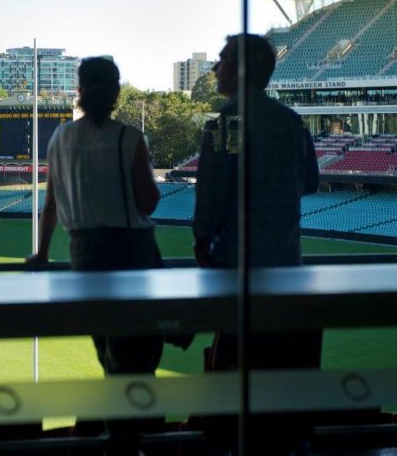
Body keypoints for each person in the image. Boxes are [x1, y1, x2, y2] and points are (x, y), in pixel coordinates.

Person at [27, 56, 165, 453]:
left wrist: (41, 253)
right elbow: (149, 203)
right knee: (137, 352)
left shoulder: (59, 139)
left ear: (79, 90)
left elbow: (51, 203)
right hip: (131, 252)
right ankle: (131, 438)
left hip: (83, 253)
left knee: (108, 349)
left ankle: (123, 434)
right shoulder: (130, 137)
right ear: (117, 91)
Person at [193, 34, 320, 453]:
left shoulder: (232, 122)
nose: (216, 68)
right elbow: (312, 181)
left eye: (223, 59)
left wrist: (202, 244)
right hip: (286, 267)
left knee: (235, 377)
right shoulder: (290, 121)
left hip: (238, 268)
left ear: (241, 70)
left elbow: (215, 192)